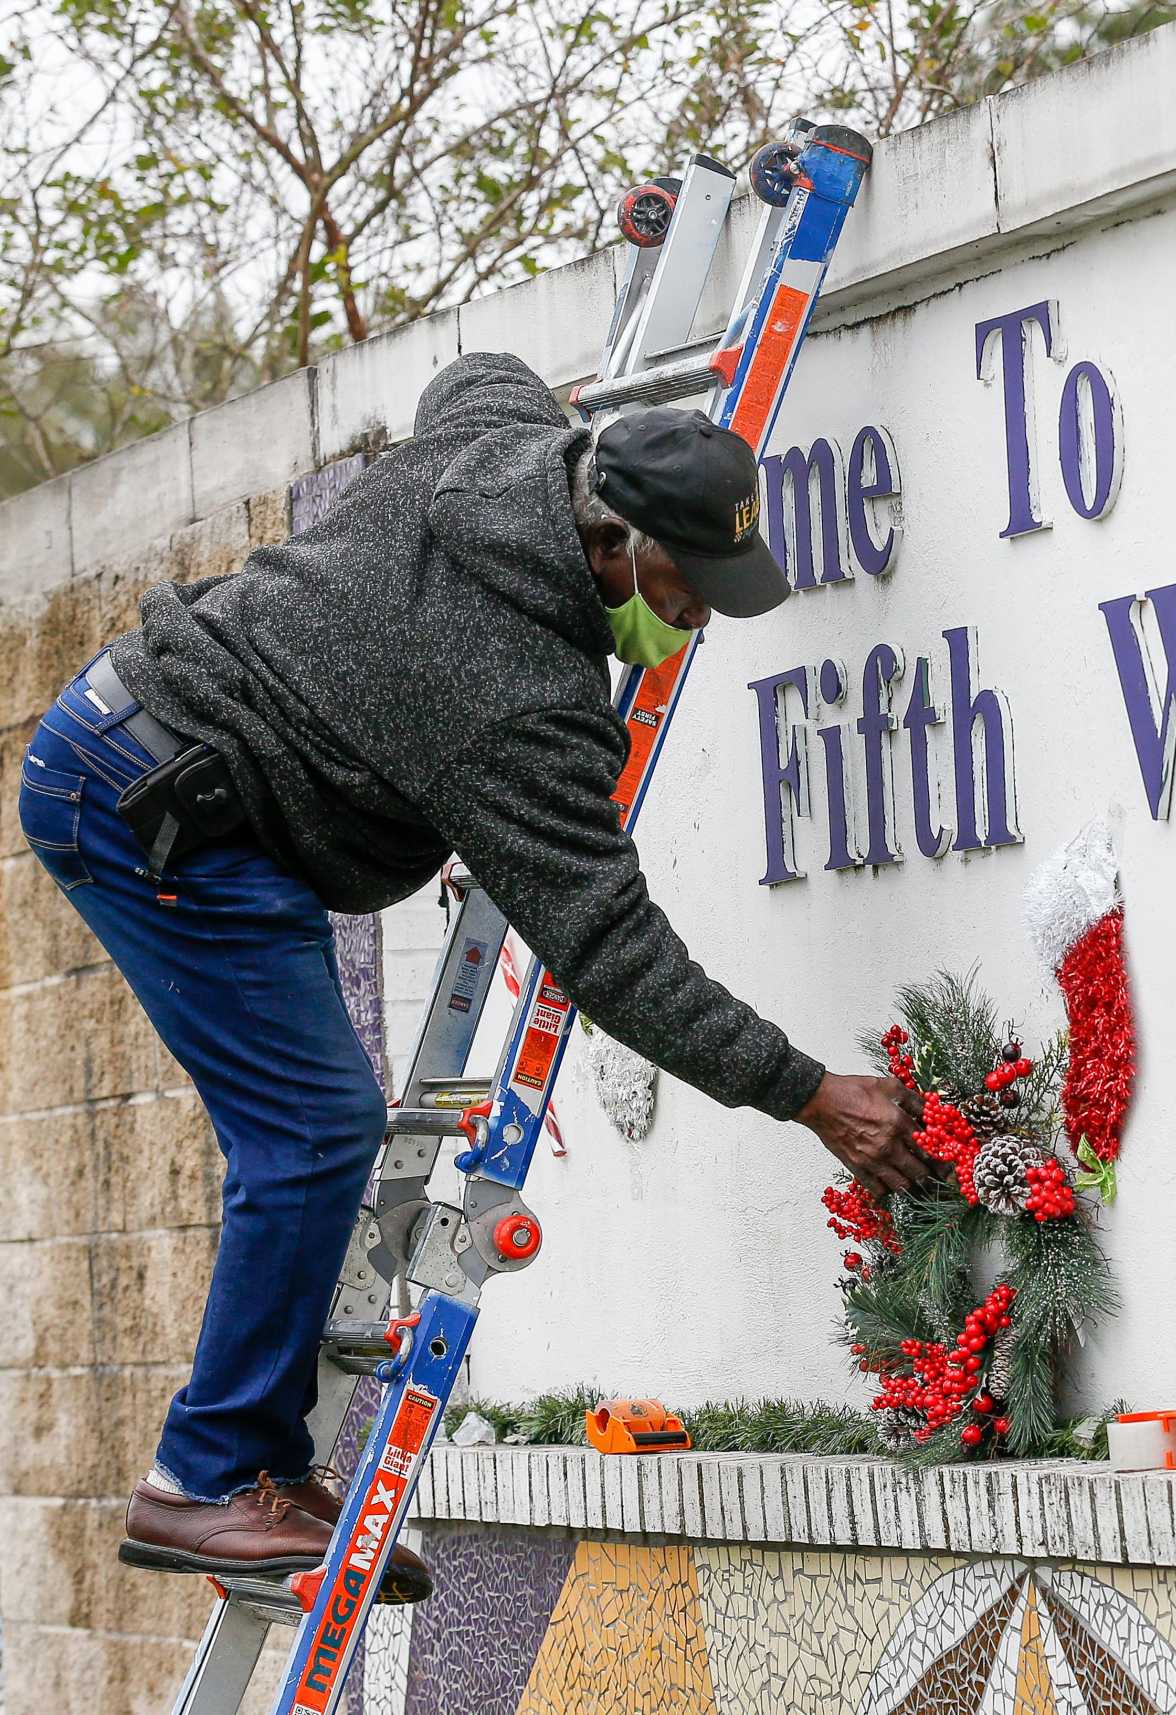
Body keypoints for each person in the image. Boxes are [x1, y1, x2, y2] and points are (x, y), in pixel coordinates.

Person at [16, 351, 931, 1600]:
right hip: (149, 804)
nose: (698, 618)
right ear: (609, 544)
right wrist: (807, 1090)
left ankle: (260, 1466)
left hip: (196, 765)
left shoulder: (507, 444)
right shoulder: (516, 695)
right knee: (314, 1128)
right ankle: (207, 1479)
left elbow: (479, 371)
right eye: (685, 586)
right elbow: (613, 952)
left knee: (314, 1126)